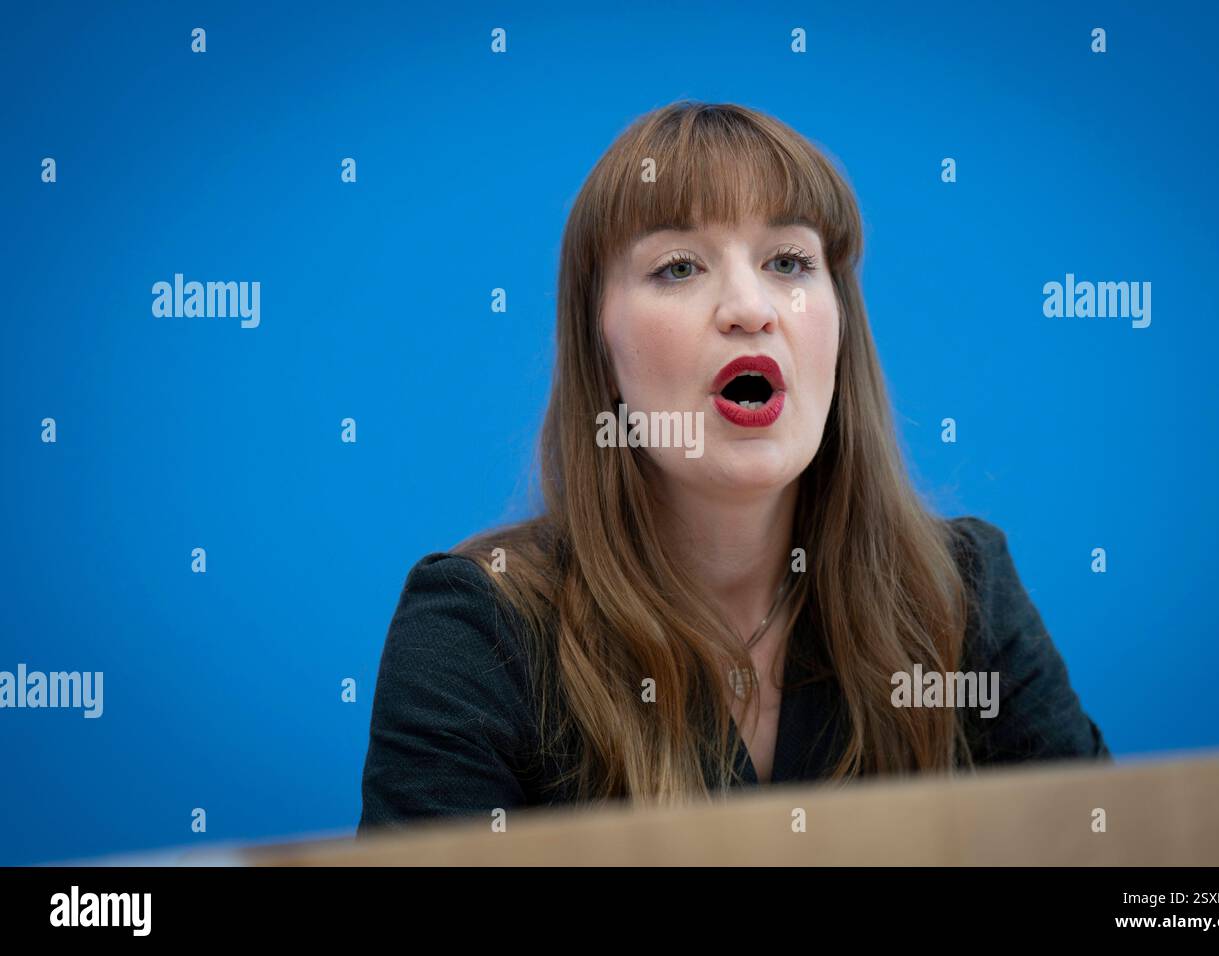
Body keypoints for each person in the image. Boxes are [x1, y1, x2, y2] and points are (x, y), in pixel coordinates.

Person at [358, 101, 1109, 831]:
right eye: (678, 267)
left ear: (840, 328)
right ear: (602, 350)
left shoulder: (963, 593)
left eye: (788, 261)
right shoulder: (478, 631)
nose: (750, 307)